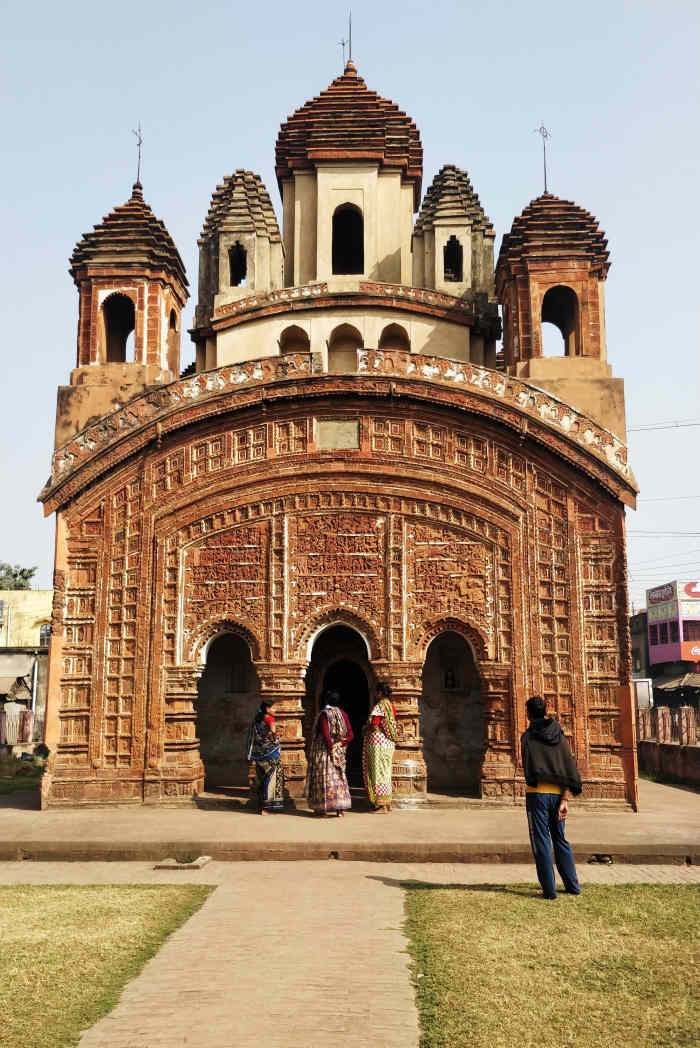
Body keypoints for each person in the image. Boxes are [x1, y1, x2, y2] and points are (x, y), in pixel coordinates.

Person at [521, 695, 582, 899]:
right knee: (560, 839)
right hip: (558, 796)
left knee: (542, 841)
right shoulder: (559, 735)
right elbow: (567, 766)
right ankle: (573, 887)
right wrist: (565, 800)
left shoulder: (528, 737)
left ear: (529, 713)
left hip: (537, 795)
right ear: (545, 710)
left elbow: (528, 766)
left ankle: (549, 891)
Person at [305, 690, 353, 816]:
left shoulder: (324, 715)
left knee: (324, 777)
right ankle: (340, 810)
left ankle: (322, 809)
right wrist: (340, 744)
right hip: (339, 751)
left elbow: (326, 735)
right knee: (339, 778)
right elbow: (350, 735)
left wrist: (331, 748)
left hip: (324, 750)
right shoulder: (343, 714)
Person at [362, 681, 397, 812]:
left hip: (378, 743)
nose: (375, 695)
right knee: (386, 772)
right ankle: (387, 803)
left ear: (380, 693)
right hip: (388, 744)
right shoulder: (391, 706)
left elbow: (375, 723)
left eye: (376, 692)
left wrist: (366, 728)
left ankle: (381, 805)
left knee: (377, 773)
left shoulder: (380, 706)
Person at [246, 701, 285, 814]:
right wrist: (277, 737)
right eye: (274, 708)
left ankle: (261, 805)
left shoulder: (256, 719)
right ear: (267, 709)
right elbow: (273, 732)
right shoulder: (269, 719)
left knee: (262, 778)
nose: (275, 710)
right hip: (271, 754)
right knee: (272, 778)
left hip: (259, 754)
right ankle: (267, 808)